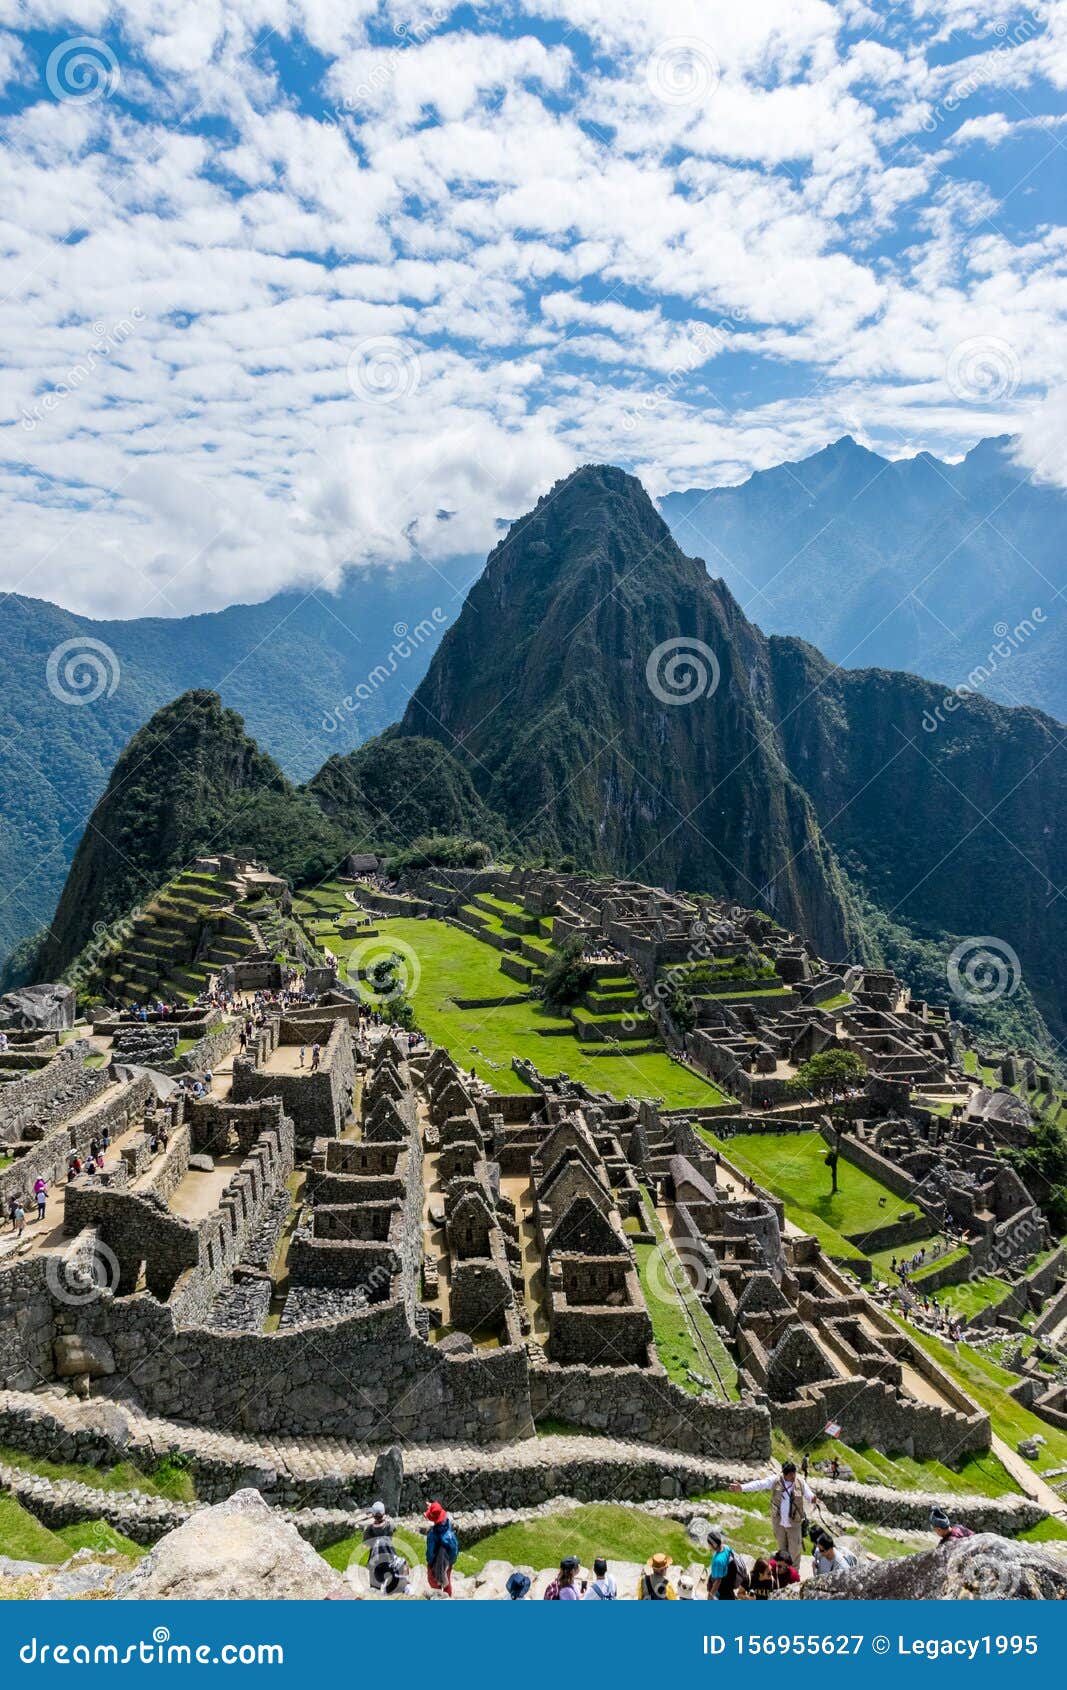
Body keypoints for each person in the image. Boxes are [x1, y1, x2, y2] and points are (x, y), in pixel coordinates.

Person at [731, 1461, 816, 1564]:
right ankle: (783, 1573)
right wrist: (742, 1488)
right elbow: (759, 1484)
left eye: (794, 1473)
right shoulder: (775, 1480)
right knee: (782, 1550)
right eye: (790, 1474)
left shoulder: (800, 1482)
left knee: (795, 1551)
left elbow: (808, 1494)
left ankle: (794, 1575)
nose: (793, 1476)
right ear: (785, 1474)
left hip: (794, 1523)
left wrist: (812, 1498)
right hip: (779, 1522)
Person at [424, 1501, 458, 1596]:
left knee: (434, 1581)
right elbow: (437, 1513)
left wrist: (430, 1563)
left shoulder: (433, 1535)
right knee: (447, 1581)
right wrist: (432, 1508)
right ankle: (448, 1597)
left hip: (437, 1563)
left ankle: (439, 1597)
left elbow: (430, 1554)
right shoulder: (447, 1525)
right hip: (448, 1562)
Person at [706, 1528, 748, 1599]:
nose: (708, 1545)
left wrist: (711, 1595)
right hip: (729, 1578)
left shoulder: (718, 1560)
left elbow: (718, 1581)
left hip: (723, 1586)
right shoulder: (725, 1547)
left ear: (713, 1545)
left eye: (709, 1544)